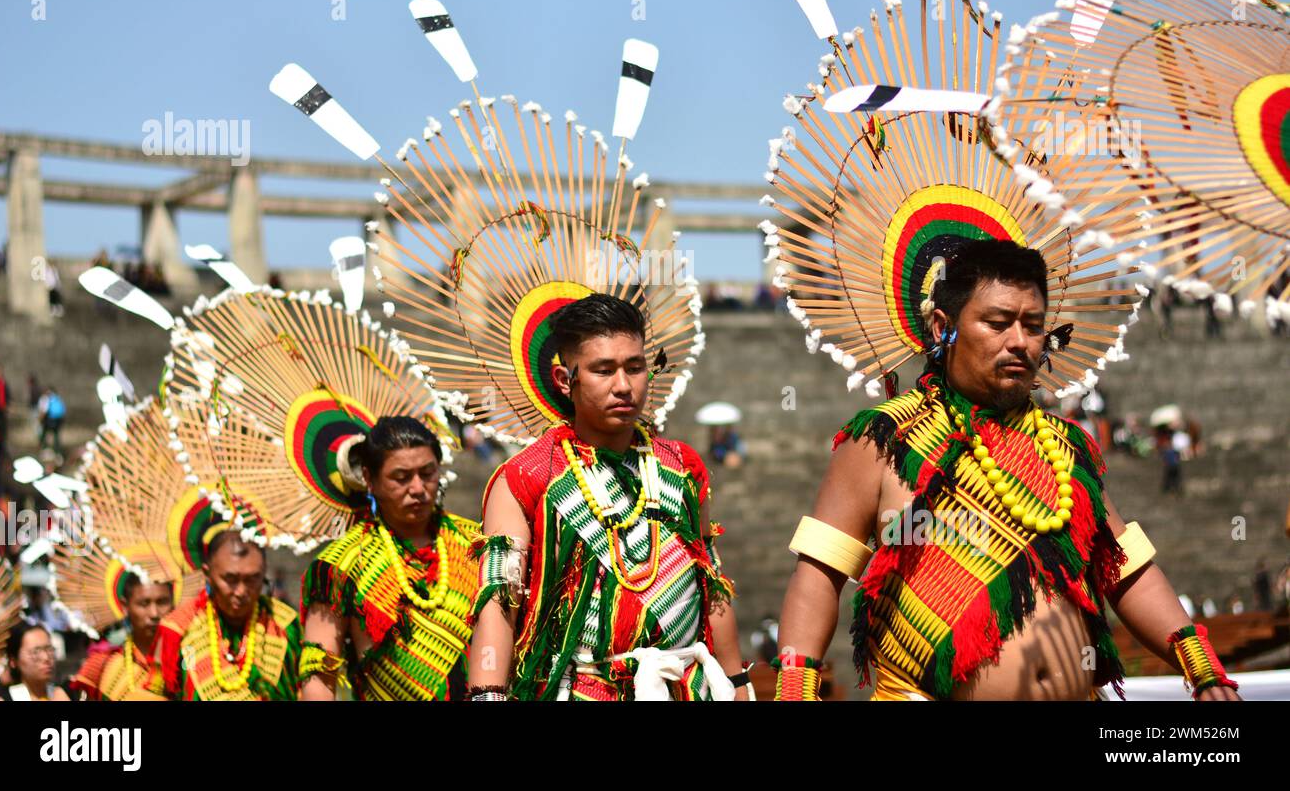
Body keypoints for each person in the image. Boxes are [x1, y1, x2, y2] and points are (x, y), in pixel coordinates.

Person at [775, 241, 1240, 700]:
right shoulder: (883, 438)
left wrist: (1203, 671)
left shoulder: (1064, 446)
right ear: (943, 327)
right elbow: (819, 574)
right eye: (997, 323)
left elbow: (1126, 571)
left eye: (1033, 326)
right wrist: (793, 692)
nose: (1019, 341)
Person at [467, 294, 747, 701]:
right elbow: (500, 597)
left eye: (635, 368)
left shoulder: (681, 466)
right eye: (604, 370)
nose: (623, 385)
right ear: (566, 380)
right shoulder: (525, 477)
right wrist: (486, 695)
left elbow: (710, 581)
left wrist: (738, 684)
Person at [299, 416, 480, 701]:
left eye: (428, 473)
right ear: (370, 479)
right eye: (402, 477)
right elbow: (318, 677)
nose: (418, 488)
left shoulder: (474, 542)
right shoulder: (342, 566)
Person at [150, 528, 301, 701]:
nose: (241, 591)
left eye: (252, 579)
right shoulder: (177, 629)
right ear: (207, 574)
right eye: (230, 579)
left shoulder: (286, 625)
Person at [70, 578, 174, 701]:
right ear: (125, 606)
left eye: (162, 602)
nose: (154, 614)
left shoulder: (189, 661)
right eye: (144, 603)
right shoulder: (101, 667)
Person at [0, 622, 70, 701]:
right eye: (35, 652)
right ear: (13, 661)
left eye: (49, 649)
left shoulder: (66, 694)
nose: (46, 658)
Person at [37, 387, 65, 456]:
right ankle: (57, 451)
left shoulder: (46, 399)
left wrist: (40, 420)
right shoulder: (57, 398)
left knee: (43, 434)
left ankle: (44, 448)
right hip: (58, 420)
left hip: (50, 420)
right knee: (56, 435)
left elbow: (44, 411)